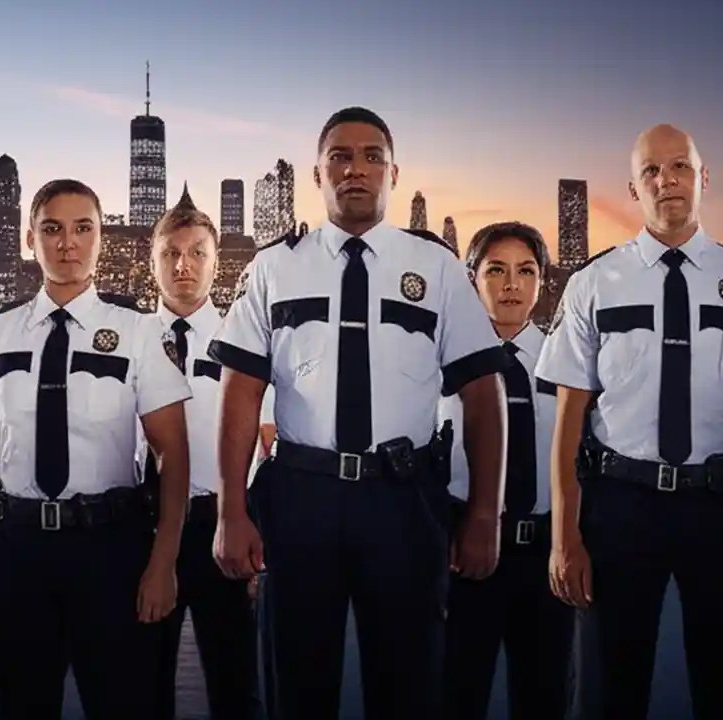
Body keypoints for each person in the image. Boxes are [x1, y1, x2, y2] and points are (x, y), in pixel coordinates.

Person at [210, 106, 509, 719]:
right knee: (296, 684)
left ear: (393, 173)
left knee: (409, 685)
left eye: (372, 156)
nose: (356, 169)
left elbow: (483, 393)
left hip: (403, 501)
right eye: (340, 157)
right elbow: (240, 391)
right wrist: (230, 510)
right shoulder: (275, 267)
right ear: (318, 174)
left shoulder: (437, 268)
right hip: (300, 497)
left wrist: (484, 513)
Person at [542, 124, 723, 719]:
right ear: (634, 188)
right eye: (651, 171)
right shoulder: (594, 283)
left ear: (703, 178)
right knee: (608, 692)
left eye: (680, 167)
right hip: (619, 509)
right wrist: (565, 536)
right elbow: (569, 419)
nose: (667, 181)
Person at [0, 178, 192, 718]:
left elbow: (172, 454)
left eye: (84, 229)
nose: (68, 243)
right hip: (16, 552)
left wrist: (163, 562)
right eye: (52, 229)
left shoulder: (138, 333)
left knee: (123, 702)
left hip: (111, 550)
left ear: (101, 237)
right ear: (31, 239)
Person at [441, 222, 573, 719]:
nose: (511, 284)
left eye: (526, 271)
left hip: (544, 554)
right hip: (461, 551)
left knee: (546, 695)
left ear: (542, 281)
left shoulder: (568, 364)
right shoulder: (440, 364)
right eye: (496, 270)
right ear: (472, 278)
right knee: (456, 692)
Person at [146, 202, 261, 719]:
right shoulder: (128, 340)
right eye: (170, 254)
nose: (183, 266)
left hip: (223, 522)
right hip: (143, 528)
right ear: (153, 262)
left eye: (197, 253)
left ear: (218, 262)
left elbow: (268, 440)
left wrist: (257, 531)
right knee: (143, 677)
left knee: (234, 679)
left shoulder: (247, 340)